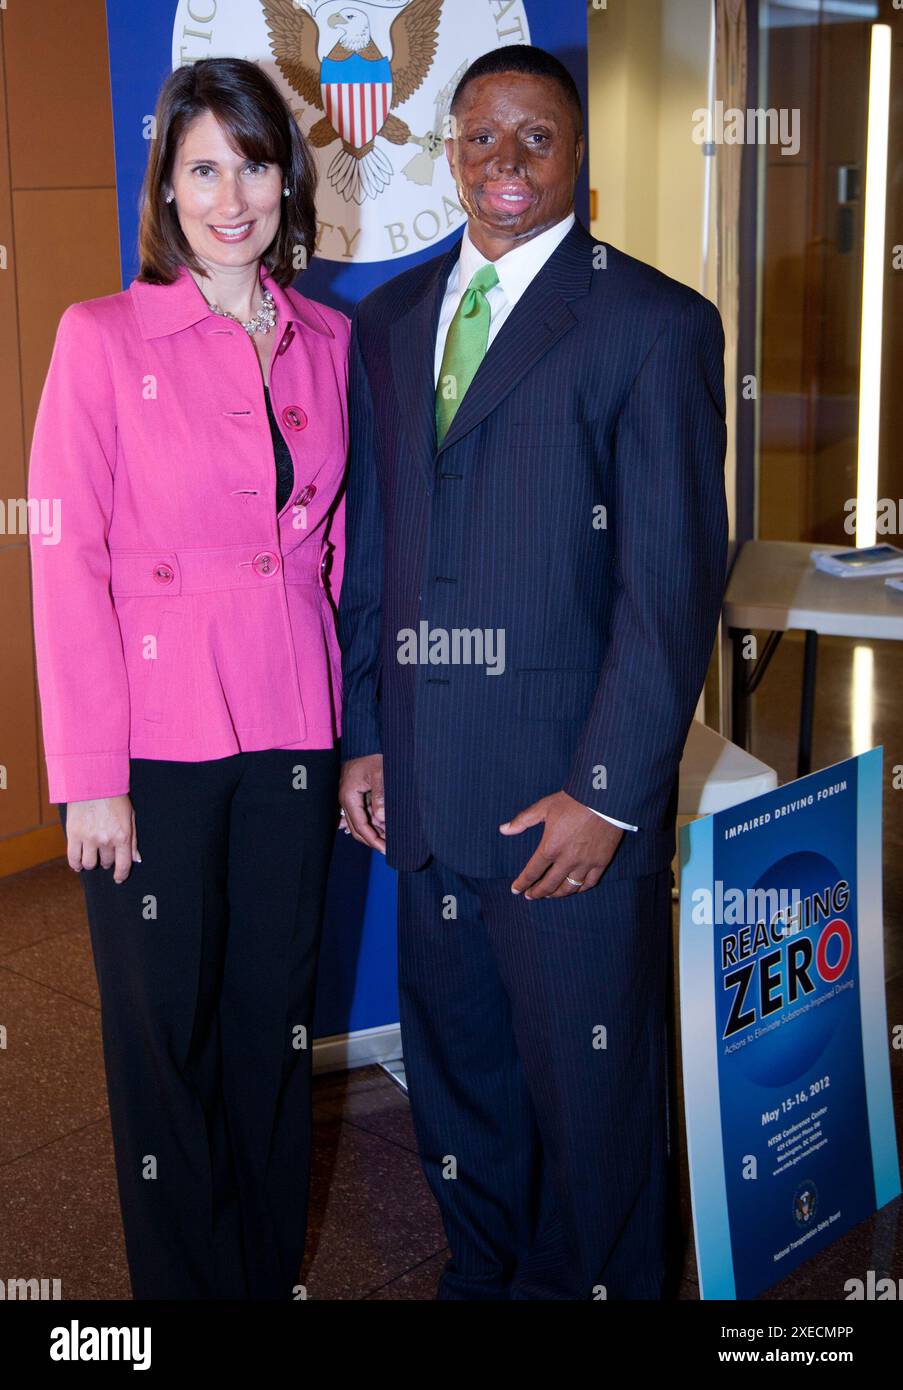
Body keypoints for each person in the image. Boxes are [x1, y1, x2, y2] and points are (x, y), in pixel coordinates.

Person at [338, 44, 728, 1300]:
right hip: (429, 795)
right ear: (447, 150)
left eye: (537, 139)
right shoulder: (393, 322)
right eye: (479, 137)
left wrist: (611, 795)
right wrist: (365, 731)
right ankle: (483, 1274)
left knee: (593, 1094)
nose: (504, 164)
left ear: (581, 161)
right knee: (460, 1085)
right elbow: (376, 556)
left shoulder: (654, 323)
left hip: (568, 804)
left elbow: (667, 587)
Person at [27, 57, 349, 1300]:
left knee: (271, 1037)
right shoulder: (100, 338)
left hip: (288, 730)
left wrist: (349, 734)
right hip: (153, 746)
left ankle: (263, 1279)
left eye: (254, 164)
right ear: (166, 183)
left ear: (287, 178)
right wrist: (89, 780)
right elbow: (67, 567)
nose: (232, 195)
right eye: (203, 166)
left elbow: (330, 555)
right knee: (166, 1045)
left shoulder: (327, 339)